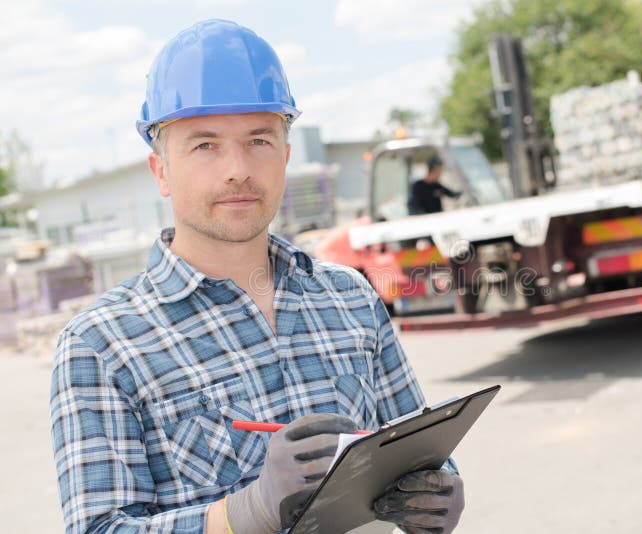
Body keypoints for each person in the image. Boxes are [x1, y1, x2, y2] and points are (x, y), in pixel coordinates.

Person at [49, 19, 464, 534]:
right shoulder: (101, 345)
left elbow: (415, 446)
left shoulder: (350, 298)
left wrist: (435, 488)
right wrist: (244, 513)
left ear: (286, 156)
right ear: (161, 170)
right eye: (205, 145)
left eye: (259, 140)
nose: (237, 169)